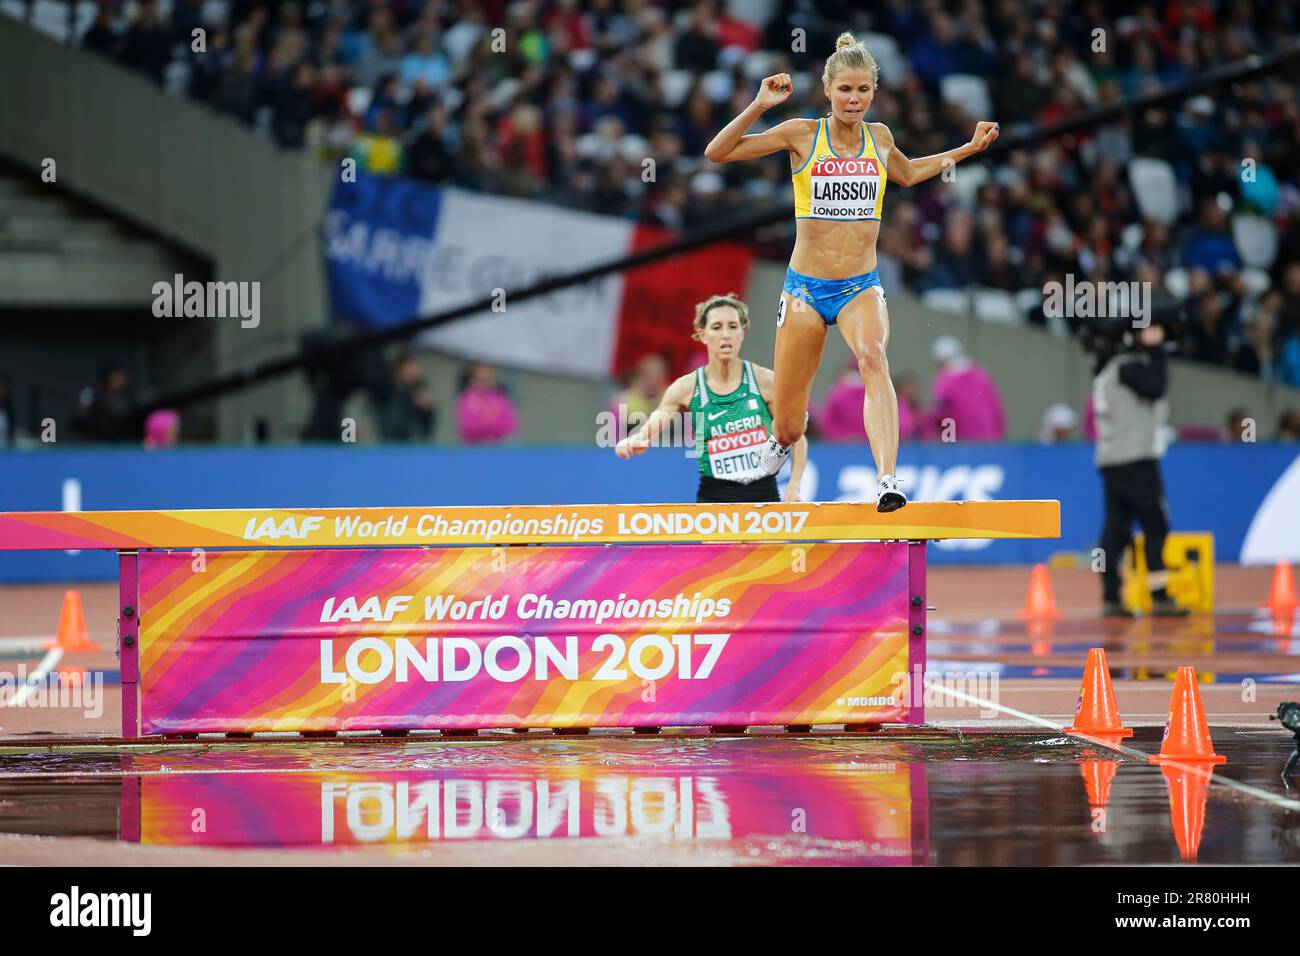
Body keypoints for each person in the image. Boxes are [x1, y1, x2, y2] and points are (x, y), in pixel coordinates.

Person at [704, 32, 999, 511]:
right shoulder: (802, 134)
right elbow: (717, 153)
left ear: (874, 91)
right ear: (827, 89)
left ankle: (887, 480)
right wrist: (759, 105)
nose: (854, 99)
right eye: (845, 89)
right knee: (790, 423)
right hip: (804, 290)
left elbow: (909, 174)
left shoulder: (879, 138)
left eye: (863, 90)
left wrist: (967, 149)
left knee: (872, 356)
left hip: (860, 286)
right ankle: (780, 442)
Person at [615, 293, 807, 504]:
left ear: (742, 331)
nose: (726, 335)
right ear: (702, 334)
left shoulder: (766, 381)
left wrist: (794, 484)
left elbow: (796, 436)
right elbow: (653, 424)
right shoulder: (685, 388)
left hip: (764, 500)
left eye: (733, 326)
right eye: (716, 327)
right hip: (713, 503)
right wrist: (638, 438)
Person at [1093, 323, 1188, 618]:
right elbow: (1156, 387)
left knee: (1116, 528)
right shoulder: (1126, 368)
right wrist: (1156, 348)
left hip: (1112, 459)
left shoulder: (1107, 372)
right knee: (1155, 525)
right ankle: (1159, 596)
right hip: (1135, 458)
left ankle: (1111, 595)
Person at [930, 336, 1007, 441]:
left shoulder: (946, 380)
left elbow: (940, 415)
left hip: (962, 444)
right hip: (990, 441)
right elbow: (998, 412)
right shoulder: (980, 375)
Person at [456, 362, 517, 444]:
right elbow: (468, 426)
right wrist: (489, 430)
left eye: (488, 379)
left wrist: (491, 430)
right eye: (480, 379)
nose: (484, 383)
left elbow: (509, 424)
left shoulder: (500, 396)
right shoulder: (466, 397)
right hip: (473, 445)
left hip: (498, 444)